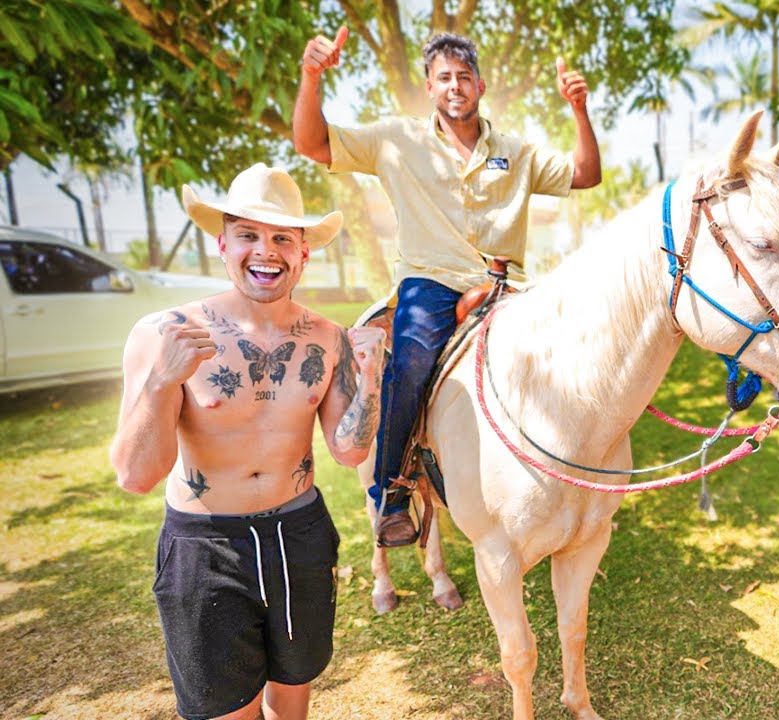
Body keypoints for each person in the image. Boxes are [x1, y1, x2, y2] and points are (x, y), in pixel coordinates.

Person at [292, 29, 602, 546]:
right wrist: (311, 75)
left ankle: (576, 478)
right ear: (430, 88)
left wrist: (578, 108)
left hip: (505, 285)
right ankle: (391, 495)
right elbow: (311, 143)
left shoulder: (515, 151)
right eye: (443, 78)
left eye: (464, 77)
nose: (455, 86)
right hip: (429, 282)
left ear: (479, 86)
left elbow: (586, 174)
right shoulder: (396, 139)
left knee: (574, 352)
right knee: (410, 361)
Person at [109, 163, 386, 720]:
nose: (267, 251)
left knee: (292, 692)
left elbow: (349, 451)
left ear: (304, 252)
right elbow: (136, 476)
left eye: (283, 237)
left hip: (300, 534)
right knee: (226, 710)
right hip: (206, 545)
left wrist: (372, 374)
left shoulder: (329, 339)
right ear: (223, 244)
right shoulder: (167, 332)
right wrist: (163, 380)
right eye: (249, 235)